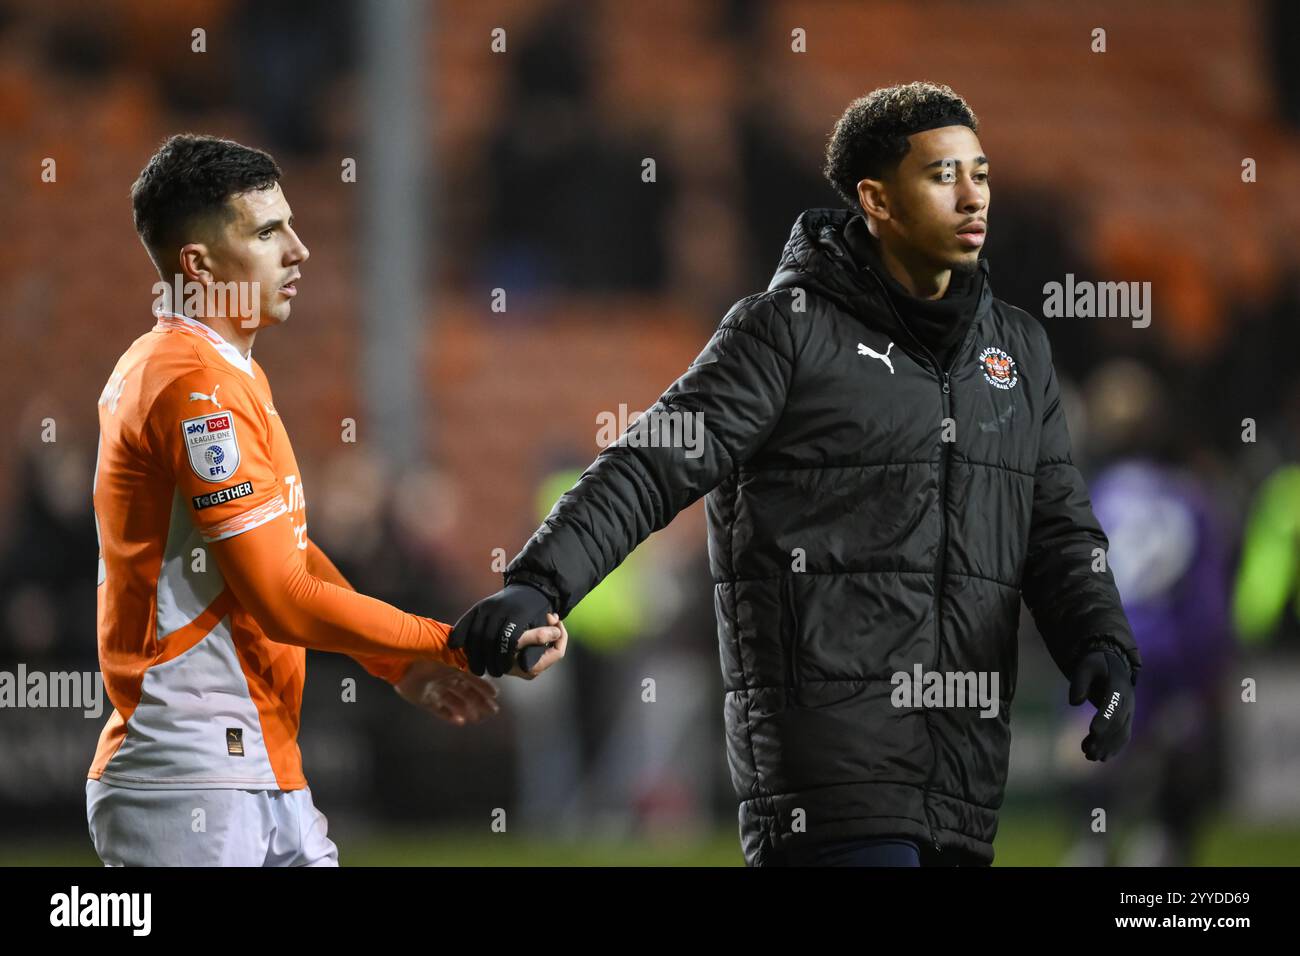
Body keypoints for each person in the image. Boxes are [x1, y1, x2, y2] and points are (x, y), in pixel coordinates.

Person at [451, 82, 1140, 867]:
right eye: (942, 175)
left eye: (979, 172)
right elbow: (649, 464)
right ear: (875, 200)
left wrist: (1099, 637)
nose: (972, 194)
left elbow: (1056, 526)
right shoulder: (786, 332)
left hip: (964, 779)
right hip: (829, 773)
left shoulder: (1018, 349)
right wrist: (542, 582)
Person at [87, 134, 567, 867]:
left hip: (249, 763)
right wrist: (449, 641)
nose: (299, 250)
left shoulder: (213, 371)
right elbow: (281, 596)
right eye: (268, 231)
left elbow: (290, 552)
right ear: (200, 264)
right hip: (193, 777)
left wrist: (394, 666)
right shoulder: (193, 387)